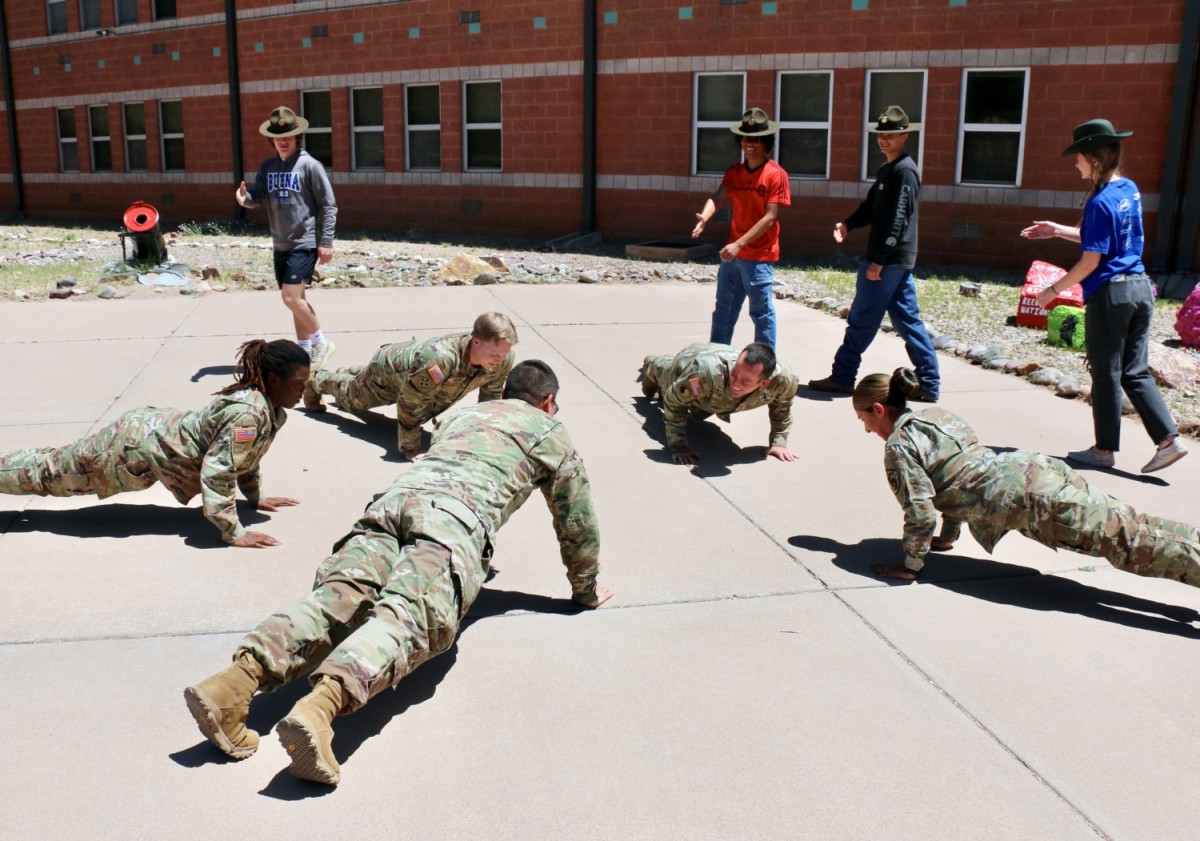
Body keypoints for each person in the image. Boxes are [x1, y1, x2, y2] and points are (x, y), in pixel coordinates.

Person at [184, 360, 611, 785]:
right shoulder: (550, 432)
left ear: (505, 394)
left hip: (391, 505)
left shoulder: (465, 414)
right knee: (406, 617)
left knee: (336, 597)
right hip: (450, 523)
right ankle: (319, 709)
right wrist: (585, 589)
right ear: (548, 400)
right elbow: (576, 521)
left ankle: (232, 685)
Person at [853, 367, 1200, 585]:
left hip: (1031, 501)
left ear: (880, 409)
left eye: (864, 419)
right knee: (1131, 523)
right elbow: (954, 480)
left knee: (1128, 543)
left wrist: (911, 565)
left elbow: (921, 510)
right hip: (1035, 471)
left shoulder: (898, 447)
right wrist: (948, 536)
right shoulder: (936, 415)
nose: (867, 429)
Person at [0, 340, 309, 547]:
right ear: (273, 380)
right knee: (47, 474)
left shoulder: (268, 408)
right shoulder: (249, 414)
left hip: (144, 434)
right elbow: (218, 473)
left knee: (51, 462)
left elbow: (244, 459)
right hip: (129, 450)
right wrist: (233, 532)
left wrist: (256, 497)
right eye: (298, 385)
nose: (302, 392)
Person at [1022, 118, 1187, 474]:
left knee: (1107, 373)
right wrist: (1056, 231)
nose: (1075, 164)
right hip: (1141, 289)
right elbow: (1101, 239)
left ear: (1093, 158)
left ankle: (1103, 451)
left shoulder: (1098, 203)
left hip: (1111, 296)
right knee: (1135, 371)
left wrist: (1052, 291)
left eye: (1078, 157)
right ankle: (1169, 441)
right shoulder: (1128, 189)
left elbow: (1090, 261)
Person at [809, 106, 940, 401]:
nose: (884, 139)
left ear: (905, 136)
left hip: (889, 261)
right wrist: (848, 224)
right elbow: (871, 207)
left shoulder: (905, 171)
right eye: (881, 134)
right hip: (894, 260)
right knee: (908, 322)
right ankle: (929, 384)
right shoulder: (888, 169)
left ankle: (843, 377)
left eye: (891, 135)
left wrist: (879, 259)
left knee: (862, 319)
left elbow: (899, 219)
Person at [303, 312, 519, 459]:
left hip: (413, 371)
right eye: (494, 353)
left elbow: (489, 400)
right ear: (476, 341)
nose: (500, 359)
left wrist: (486, 439)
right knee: (351, 399)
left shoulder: (501, 360)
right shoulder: (440, 359)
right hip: (388, 372)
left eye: (504, 353)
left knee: (365, 386)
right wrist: (410, 447)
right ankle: (316, 380)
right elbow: (411, 401)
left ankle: (353, 374)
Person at [236, 105, 337, 368]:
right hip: (280, 243)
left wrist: (325, 242)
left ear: (297, 137)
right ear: (272, 139)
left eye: (288, 137)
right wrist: (244, 199)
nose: (283, 142)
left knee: (289, 297)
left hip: (303, 242)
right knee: (297, 301)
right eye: (278, 137)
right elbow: (256, 197)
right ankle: (303, 351)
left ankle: (321, 343)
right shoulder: (268, 167)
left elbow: (328, 205)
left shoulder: (309, 165)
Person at [691, 107, 791, 350]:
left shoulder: (776, 175)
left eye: (757, 140)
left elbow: (770, 217)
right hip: (732, 255)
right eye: (747, 138)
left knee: (761, 312)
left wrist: (739, 244)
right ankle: (716, 358)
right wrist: (704, 217)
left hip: (758, 255)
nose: (751, 144)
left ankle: (765, 368)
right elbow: (718, 196)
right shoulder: (735, 172)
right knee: (723, 309)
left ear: (766, 142)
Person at [641, 341, 798, 465]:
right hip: (690, 360)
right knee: (663, 372)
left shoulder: (783, 381)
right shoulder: (705, 373)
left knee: (699, 396)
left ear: (763, 383)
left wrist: (778, 442)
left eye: (746, 381)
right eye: (735, 373)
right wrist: (679, 447)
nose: (735, 384)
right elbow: (674, 401)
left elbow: (781, 410)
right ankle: (651, 363)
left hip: (714, 375)